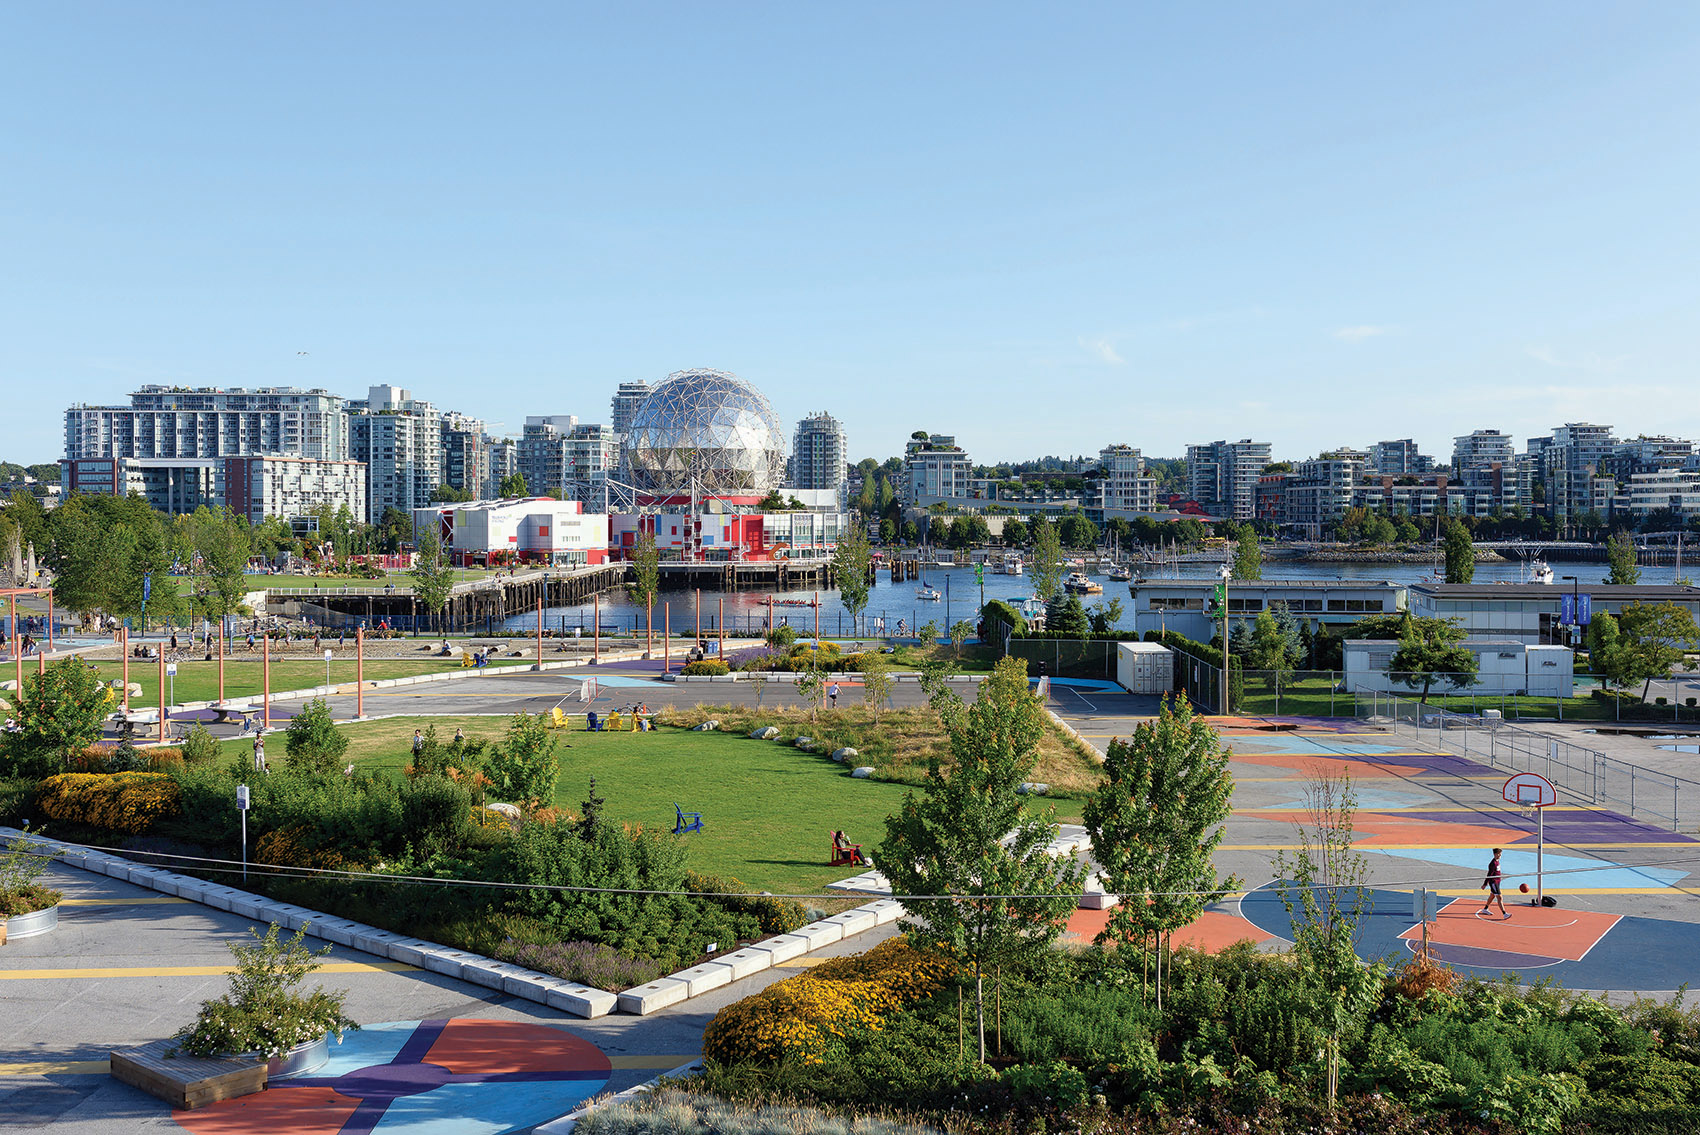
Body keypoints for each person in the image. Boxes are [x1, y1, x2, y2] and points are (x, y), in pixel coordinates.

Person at [1481, 847, 1507, 916]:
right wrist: (1485, 884)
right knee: (1499, 897)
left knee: (1492, 896)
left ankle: (1485, 909)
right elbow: (1489, 875)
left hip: (1497, 882)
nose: (1500, 856)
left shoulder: (1497, 861)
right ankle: (1504, 913)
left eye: (1500, 854)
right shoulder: (1493, 864)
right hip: (1494, 882)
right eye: (1499, 854)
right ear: (1495, 854)